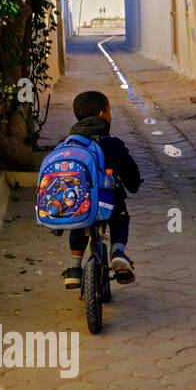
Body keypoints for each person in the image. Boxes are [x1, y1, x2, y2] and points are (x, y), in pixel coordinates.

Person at [61, 90, 142, 289]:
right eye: (109, 110)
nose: (110, 114)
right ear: (101, 115)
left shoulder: (66, 146)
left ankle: (74, 268)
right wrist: (133, 185)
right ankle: (117, 252)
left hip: (79, 203)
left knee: (79, 218)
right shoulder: (112, 144)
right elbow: (132, 177)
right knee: (120, 215)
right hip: (108, 203)